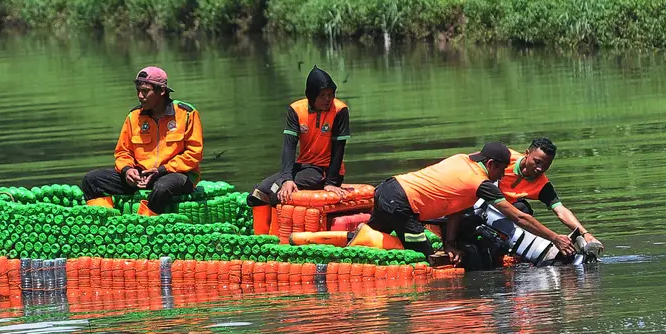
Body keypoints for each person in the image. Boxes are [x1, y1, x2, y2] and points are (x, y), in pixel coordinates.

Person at [350, 141, 575, 262]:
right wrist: (555, 238)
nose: (501, 176)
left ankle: (356, 239)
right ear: (491, 164)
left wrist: (450, 244)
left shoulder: (461, 159)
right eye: (500, 170)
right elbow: (518, 216)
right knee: (425, 257)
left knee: (371, 233)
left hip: (387, 189)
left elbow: (456, 210)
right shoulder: (479, 182)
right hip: (402, 204)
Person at [81, 66, 204, 216]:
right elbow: (122, 152)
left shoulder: (187, 114)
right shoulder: (134, 117)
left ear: (162, 91)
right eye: (138, 90)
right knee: (92, 180)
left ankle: (143, 226)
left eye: (145, 91)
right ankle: (105, 224)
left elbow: (194, 154)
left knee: (162, 187)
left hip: (177, 175)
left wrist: (161, 171)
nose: (140, 96)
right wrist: (128, 170)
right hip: (142, 176)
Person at [247, 66, 350, 233]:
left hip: (325, 171)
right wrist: (287, 178)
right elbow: (289, 146)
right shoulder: (296, 110)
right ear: (311, 96)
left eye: (330, 95)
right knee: (257, 194)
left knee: (276, 193)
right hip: (302, 166)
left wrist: (331, 182)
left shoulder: (340, 110)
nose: (327, 99)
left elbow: (339, 148)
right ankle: (261, 242)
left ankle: (276, 243)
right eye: (322, 95)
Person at [501, 137, 600, 247]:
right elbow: (478, 162)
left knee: (522, 208)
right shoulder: (504, 157)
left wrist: (585, 234)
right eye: (537, 162)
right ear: (527, 153)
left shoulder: (542, 185)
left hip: (507, 211)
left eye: (545, 166)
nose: (540, 168)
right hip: (485, 202)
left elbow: (561, 211)